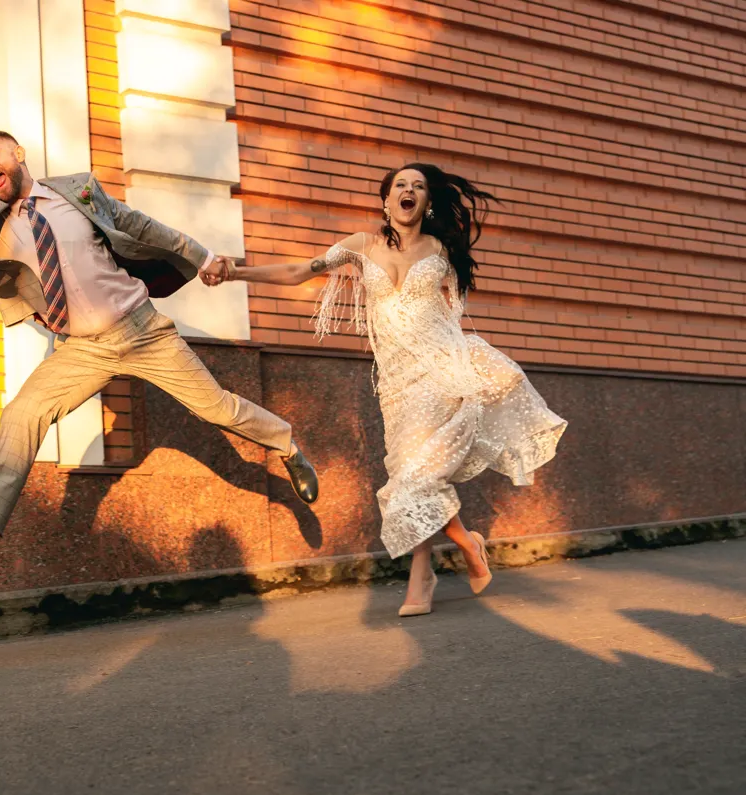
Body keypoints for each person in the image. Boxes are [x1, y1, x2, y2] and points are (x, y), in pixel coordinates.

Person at [0, 86, 319, 586]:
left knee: (217, 409)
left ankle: (287, 443)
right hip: (85, 350)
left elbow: (141, 226)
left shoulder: (77, 191)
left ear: (17, 154)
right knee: (22, 413)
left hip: (143, 331)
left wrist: (202, 257)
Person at [218, 163, 566, 616]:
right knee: (410, 475)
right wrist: (235, 273)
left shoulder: (441, 251)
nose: (409, 190)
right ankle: (467, 544)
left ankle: (421, 577)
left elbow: (451, 314)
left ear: (427, 203)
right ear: (386, 200)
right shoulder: (361, 246)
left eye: (418, 186)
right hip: (396, 385)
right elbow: (298, 270)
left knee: (417, 477)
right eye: (400, 185)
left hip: (441, 374)